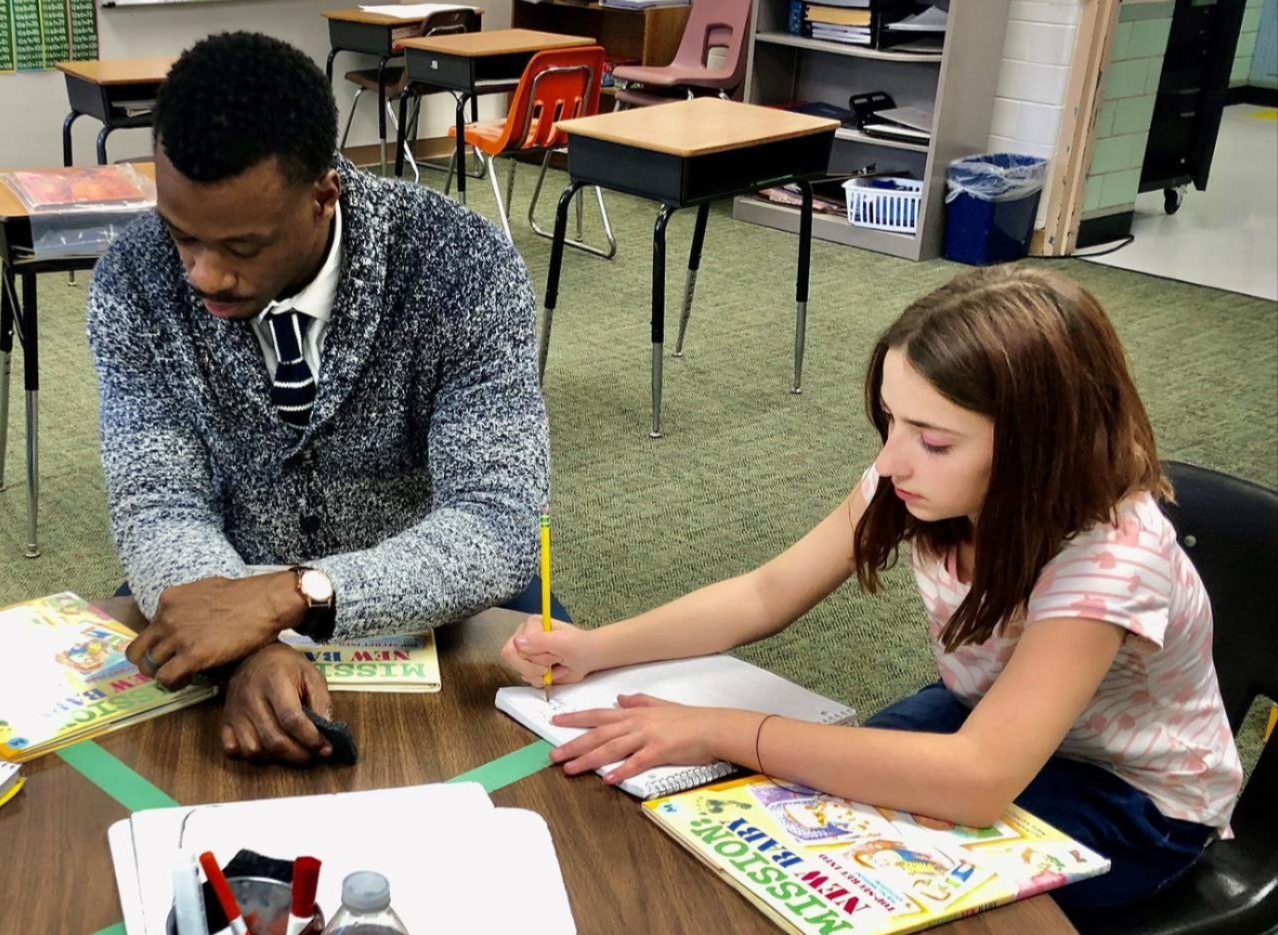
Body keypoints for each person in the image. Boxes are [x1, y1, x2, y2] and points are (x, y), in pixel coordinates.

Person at [501, 267, 1241, 909]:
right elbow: (766, 592)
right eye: (891, 420)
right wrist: (597, 646)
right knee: (790, 815)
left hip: (1132, 798)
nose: (890, 461)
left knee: (873, 874)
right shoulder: (916, 485)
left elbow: (978, 778)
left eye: (934, 439)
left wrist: (717, 727)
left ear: (1037, 444)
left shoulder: (1112, 557)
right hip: (983, 717)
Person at [88, 32, 550, 767]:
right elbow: (158, 504)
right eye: (183, 236)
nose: (203, 274)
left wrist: (299, 594)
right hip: (215, 583)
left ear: (323, 192)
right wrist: (245, 644)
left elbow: (495, 522)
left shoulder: (462, 264)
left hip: (429, 592)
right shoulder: (134, 279)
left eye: (241, 248)